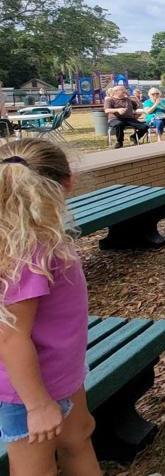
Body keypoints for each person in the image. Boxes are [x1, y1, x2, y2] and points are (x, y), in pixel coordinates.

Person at [0, 138, 102, 475]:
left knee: (78, 437)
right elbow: (11, 338)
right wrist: (38, 404)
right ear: (68, 181)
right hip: (29, 390)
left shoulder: (43, 239)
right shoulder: (30, 251)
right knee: (36, 469)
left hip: (62, 372)